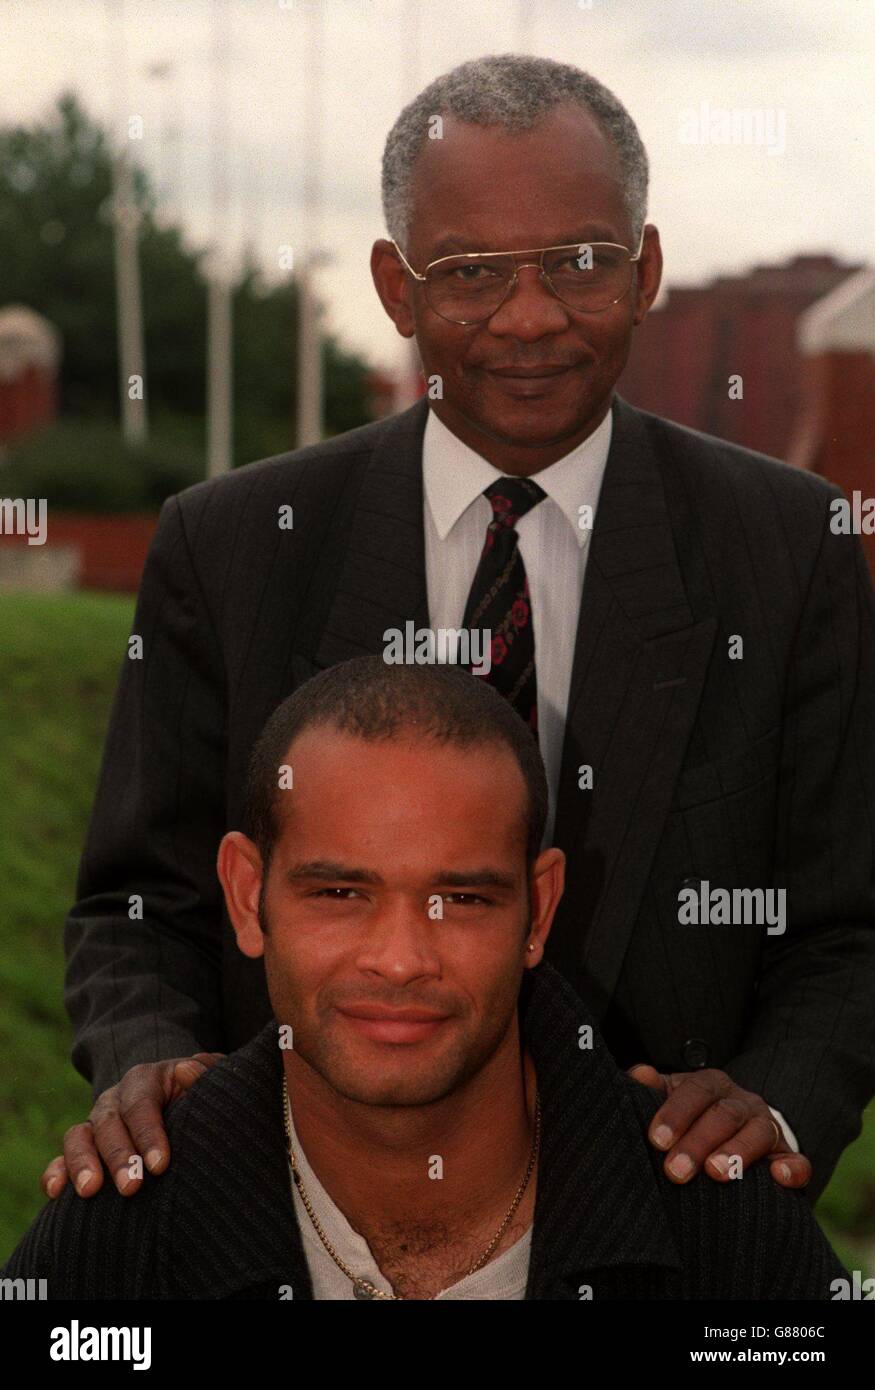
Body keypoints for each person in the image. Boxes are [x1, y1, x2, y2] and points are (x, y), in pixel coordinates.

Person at [50, 54, 875, 1211]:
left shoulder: (787, 548)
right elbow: (140, 904)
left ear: (642, 270)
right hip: (298, 1216)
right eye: (472, 272)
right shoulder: (230, 546)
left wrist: (776, 1105)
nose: (530, 317)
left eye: (580, 262)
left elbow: (845, 926)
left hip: (669, 1220)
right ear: (395, 288)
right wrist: (149, 1062)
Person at [6, 660, 849, 1299]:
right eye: (340, 893)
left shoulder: (727, 1237)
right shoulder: (114, 1242)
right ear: (245, 896)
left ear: (539, 912)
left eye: (462, 896)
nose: (402, 958)